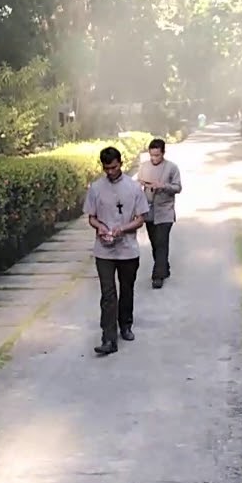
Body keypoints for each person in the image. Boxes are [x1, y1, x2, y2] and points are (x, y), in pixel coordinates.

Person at [82, 146, 150, 356]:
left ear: (120, 163)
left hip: (127, 249)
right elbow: (91, 216)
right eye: (106, 168)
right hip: (104, 250)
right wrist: (100, 227)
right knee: (108, 293)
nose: (110, 172)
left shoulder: (133, 188)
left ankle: (126, 324)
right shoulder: (96, 188)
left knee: (126, 288)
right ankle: (108, 337)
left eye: (113, 167)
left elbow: (141, 219)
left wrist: (122, 228)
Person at [138, 137, 182, 289]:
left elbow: (178, 187)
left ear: (163, 153)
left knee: (162, 242)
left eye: (157, 155)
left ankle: (157, 275)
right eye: (151, 155)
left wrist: (163, 186)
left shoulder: (172, 168)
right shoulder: (144, 166)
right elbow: (139, 185)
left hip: (165, 210)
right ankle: (164, 267)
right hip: (149, 211)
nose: (154, 158)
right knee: (155, 243)